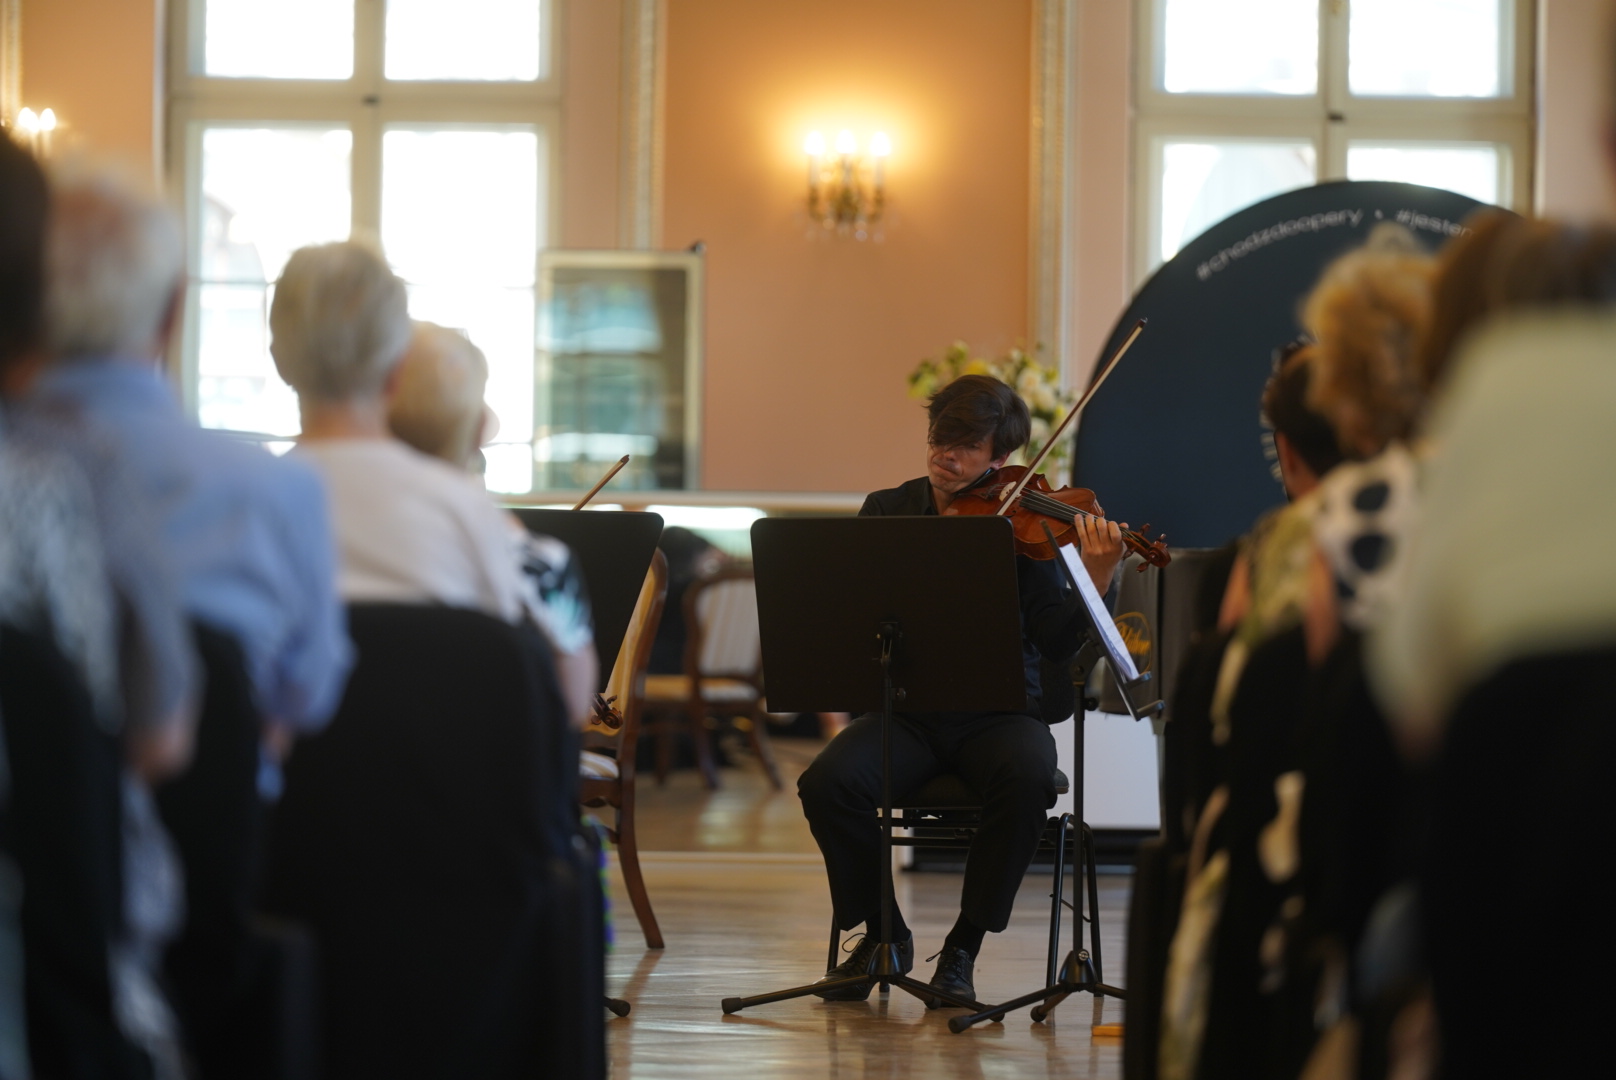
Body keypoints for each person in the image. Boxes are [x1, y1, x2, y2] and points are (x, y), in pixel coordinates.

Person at [797, 374, 1124, 1005]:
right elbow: (851, 613)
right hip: (907, 713)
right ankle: (885, 935)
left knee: (1028, 777)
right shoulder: (887, 511)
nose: (945, 456)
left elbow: (1057, 641)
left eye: (966, 447)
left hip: (1000, 715)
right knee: (827, 782)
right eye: (939, 439)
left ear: (1000, 458)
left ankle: (962, 950)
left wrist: (1096, 577)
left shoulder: (1025, 524)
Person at [269, 241, 526, 622]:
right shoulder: (466, 515)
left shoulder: (224, 513)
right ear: (398, 368)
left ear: (278, 361)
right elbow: (514, 649)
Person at [387, 320, 598, 726]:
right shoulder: (536, 565)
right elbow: (573, 707)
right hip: (492, 762)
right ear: (480, 429)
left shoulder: (314, 542)